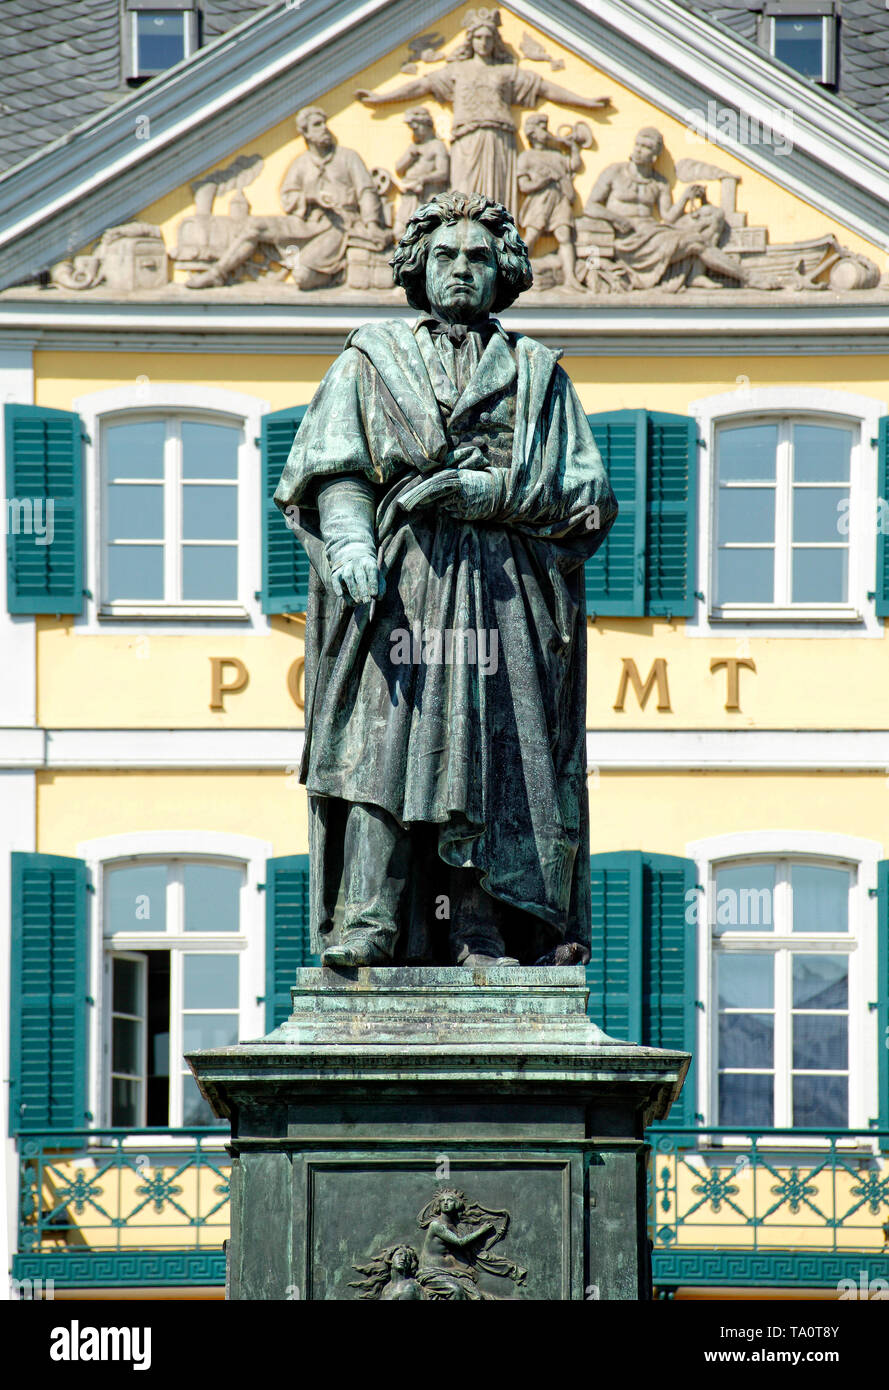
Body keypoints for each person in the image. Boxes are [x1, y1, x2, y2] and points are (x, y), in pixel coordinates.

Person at [274, 190, 617, 968]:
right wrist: (351, 544)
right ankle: (367, 919)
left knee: (495, 759)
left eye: (478, 258)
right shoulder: (370, 358)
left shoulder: (536, 375)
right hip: (396, 589)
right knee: (378, 749)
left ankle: (481, 929)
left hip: (505, 597)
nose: (461, 270)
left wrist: (487, 493)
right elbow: (337, 469)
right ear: (417, 269)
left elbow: (588, 498)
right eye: (444, 256)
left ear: (504, 273)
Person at [356, 8, 609, 220]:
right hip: (466, 141)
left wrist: (586, 102)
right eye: (478, 37)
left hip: (499, 140)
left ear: (495, 40)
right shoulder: (458, 70)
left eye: (488, 37)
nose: (484, 43)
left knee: (495, 198)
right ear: (470, 40)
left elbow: (545, 88)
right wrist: (382, 97)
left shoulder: (506, 72)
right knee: (463, 197)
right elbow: (421, 85)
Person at [186, 107, 390, 290]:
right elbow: (288, 197)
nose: (324, 128)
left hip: (339, 226)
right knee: (255, 226)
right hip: (305, 223)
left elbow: (366, 191)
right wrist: (311, 198)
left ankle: (340, 271)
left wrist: (371, 223)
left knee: (302, 277)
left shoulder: (348, 157)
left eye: (324, 123)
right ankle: (217, 274)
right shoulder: (301, 163)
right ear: (306, 133)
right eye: (317, 125)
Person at [583, 127, 777, 292]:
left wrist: (686, 198)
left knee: (714, 215)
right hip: (629, 242)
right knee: (696, 242)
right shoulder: (615, 172)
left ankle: (696, 273)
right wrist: (616, 219)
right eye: (638, 145)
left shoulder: (659, 183)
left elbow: (667, 217)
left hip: (653, 234)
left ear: (655, 156)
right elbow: (591, 206)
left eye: (646, 147)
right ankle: (748, 277)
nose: (639, 150)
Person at [517, 113, 584, 290]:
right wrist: (543, 181)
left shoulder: (556, 155)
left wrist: (573, 148)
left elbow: (574, 165)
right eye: (542, 127)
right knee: (532, 235)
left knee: (565, 237)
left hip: (560, 200)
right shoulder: (527, 157)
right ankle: (515, 275)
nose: (546, 131)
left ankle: (570, 278)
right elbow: (523, 185)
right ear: (532, 132)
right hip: (539, 201)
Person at [393, 108, 450, 239]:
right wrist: (411, 156)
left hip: (428, 196)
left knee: (426, 232)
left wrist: (423, 179)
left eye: (416, 127)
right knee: (399, 232)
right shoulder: (414, 146)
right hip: (409, 195)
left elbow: (443, 173)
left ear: (426, 124)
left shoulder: (437, 145)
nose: (415, 132)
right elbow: (398, 168)